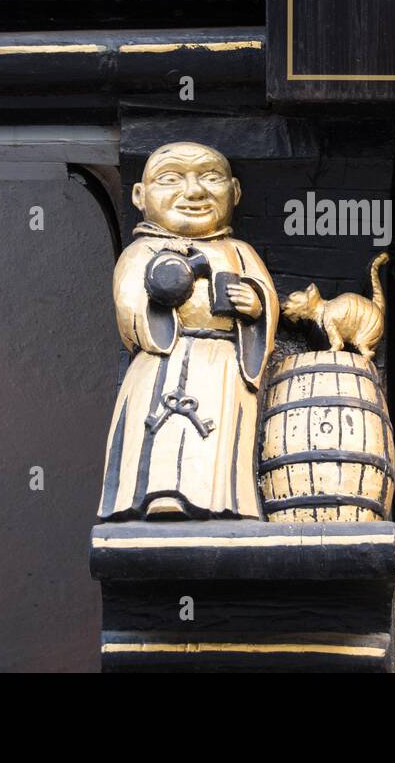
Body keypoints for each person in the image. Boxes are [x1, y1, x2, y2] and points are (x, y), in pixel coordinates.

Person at [97, 142, 278, 520]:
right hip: (163, 361)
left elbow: (266, 302)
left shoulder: (239, 251)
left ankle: (227, 500)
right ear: (139, 195)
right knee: (162, 428)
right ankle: (156, 495)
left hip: (224, 362)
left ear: (236, 191)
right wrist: (161, 295)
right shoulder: (141, 251)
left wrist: (255, 304)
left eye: (211, 178)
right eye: (170, 178)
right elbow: (130, 303)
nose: (194, 192)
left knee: (223, 435)